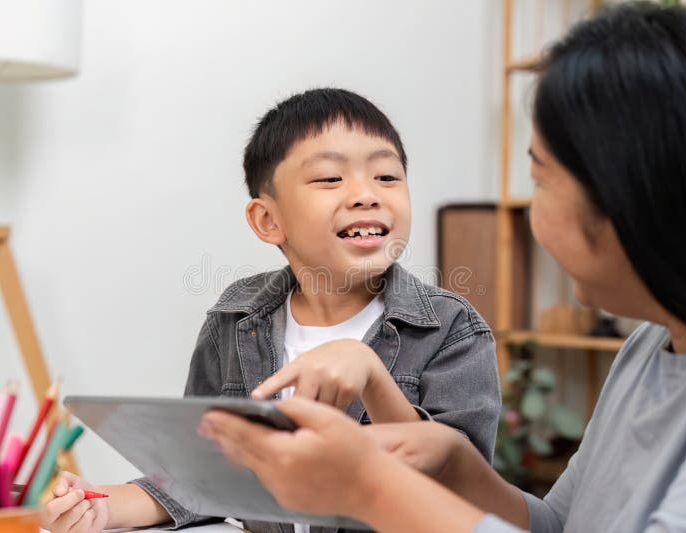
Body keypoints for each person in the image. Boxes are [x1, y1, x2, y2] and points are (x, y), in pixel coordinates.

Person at [200, 4, 686, 532]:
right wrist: (455, 460)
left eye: (542, 179)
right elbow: (558, 525)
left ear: (636, 195)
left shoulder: (452, 324)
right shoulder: (649, 347)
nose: (532, 213)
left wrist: (370, 487)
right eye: (329, 180)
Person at [41, 88, 501, 533]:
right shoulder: (234, 320)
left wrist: (374, 378)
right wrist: (100, 506)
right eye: (329, 178)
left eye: (387, 176)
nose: (367, 194)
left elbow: (460, 502)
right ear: (268, 220)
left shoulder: (450, 330)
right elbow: (206, 477)